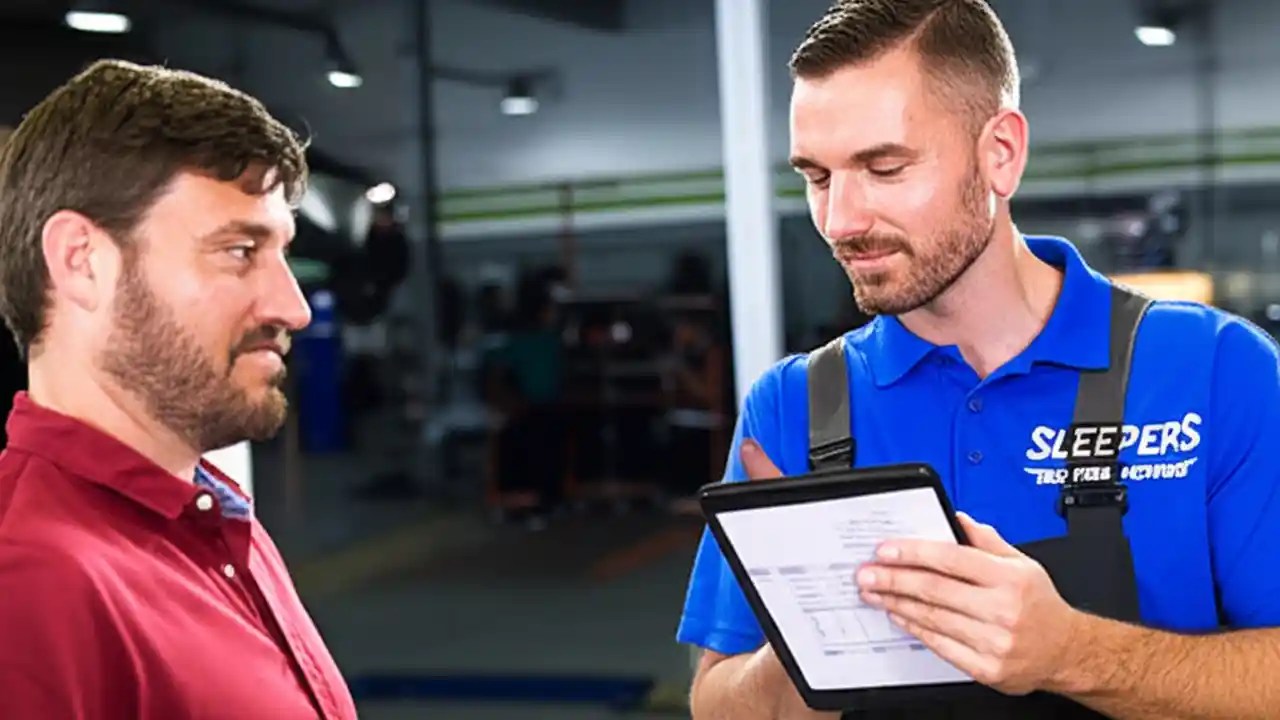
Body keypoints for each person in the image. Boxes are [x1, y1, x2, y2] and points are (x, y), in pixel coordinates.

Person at [676, 1, 1280, 719]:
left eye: (884, 167)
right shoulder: (794, 407)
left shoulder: (1213, 371)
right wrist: (814, 637)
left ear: (1001, 153)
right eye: (818, 177)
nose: (840, 221)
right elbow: (716, 703)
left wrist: (1070, 654)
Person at [0, 60, 358, 719]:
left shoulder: (210, 525)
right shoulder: (29, 587)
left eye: (282, 252)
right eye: (239, 251)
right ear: (82, 262)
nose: (295, 307)